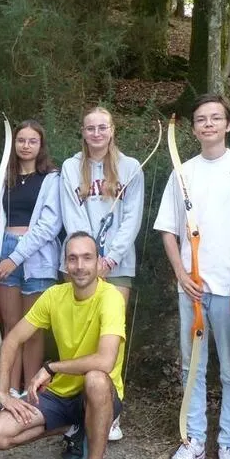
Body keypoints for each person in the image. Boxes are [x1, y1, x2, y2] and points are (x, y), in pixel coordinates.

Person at [154, 95, 230, 459]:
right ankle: (195, 439)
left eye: (215, 118)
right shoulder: (183, 172)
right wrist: (181, 273)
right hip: (194, 289)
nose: (208, 125)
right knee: (192, 367)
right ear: (194, 128)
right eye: (201, 119)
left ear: (228, 124)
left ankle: (228, 446)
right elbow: (168, 228)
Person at [0, 232, 125, 459]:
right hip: (61, 394)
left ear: (98, 262)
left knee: (96, 379)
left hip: (99, 395)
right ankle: (73, 428)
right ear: (64, 264)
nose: (80, 265)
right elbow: (12, 340)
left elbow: (105, 360)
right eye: (72, 258)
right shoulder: (54, 296)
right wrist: (3, 394)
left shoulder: (110, 297)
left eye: (87, 257)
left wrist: (51, 368)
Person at [59, 106, 143, 441]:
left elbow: (131, 218)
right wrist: (89, 261)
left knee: (111, 339)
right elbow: (72, 214)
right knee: (77, 336)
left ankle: (110, 409)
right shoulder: (69, 167)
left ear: (112, 130)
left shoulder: (131, 168)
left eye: (102, 127)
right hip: (81, 264)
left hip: (117, 265)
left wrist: (110, 259)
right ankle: (76, 407)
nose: (96, 133)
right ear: (82, 131)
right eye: (90, 127)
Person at [0, 120, 62, 397]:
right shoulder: (3, 177)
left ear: (41, 146)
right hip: (3, 252)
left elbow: (49, 226)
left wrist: (14, 258)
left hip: (37, 256)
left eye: (32, 141)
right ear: (14, 144)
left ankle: (31, 393)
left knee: (34, 329)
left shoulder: (52, 178)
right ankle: (10, 392)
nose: (26, 146)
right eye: (21, 140)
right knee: (11, 327)